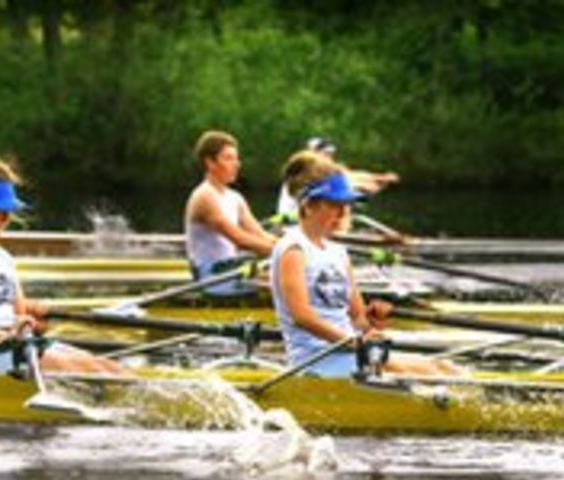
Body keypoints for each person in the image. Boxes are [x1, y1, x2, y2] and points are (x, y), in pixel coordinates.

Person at [0, 152, 125, 375]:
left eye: (8, 211)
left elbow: (18, 315)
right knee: (88, 372)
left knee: (109, 368)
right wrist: (4, 337)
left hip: (13, 348)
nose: (5, 218)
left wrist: (34, 323)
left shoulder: (2, 257)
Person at [269, 154, 463, 378]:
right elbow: (302, 316)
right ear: (309, 205)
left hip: (351, 354)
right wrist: (354, 342)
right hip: (315, 362)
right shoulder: (293, 249)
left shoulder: (338, 252)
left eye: (346, 205)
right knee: (431, 373)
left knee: (443, 366)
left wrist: (373, 322)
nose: (343, 214)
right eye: (334, 205)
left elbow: (358, 318)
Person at [184, 130, 278, 295]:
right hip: (211, 278)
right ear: (210, 162)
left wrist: (294, 246)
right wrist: (285, 252)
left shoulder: (235, 198)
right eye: (228, 158)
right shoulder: (204, 196)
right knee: (288, 286)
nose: (237, 164)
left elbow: (260, 235)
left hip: (230, 271)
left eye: (236, 158)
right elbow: (239, 239)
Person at [276, 137, 400, 220]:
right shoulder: (309, 173)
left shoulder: (328, 171)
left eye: (330, 154)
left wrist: (379, 179)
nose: (329, 157)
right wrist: (379, 180)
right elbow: (351, 179)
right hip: (295, 221)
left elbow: (353, 175)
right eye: (325, 153)